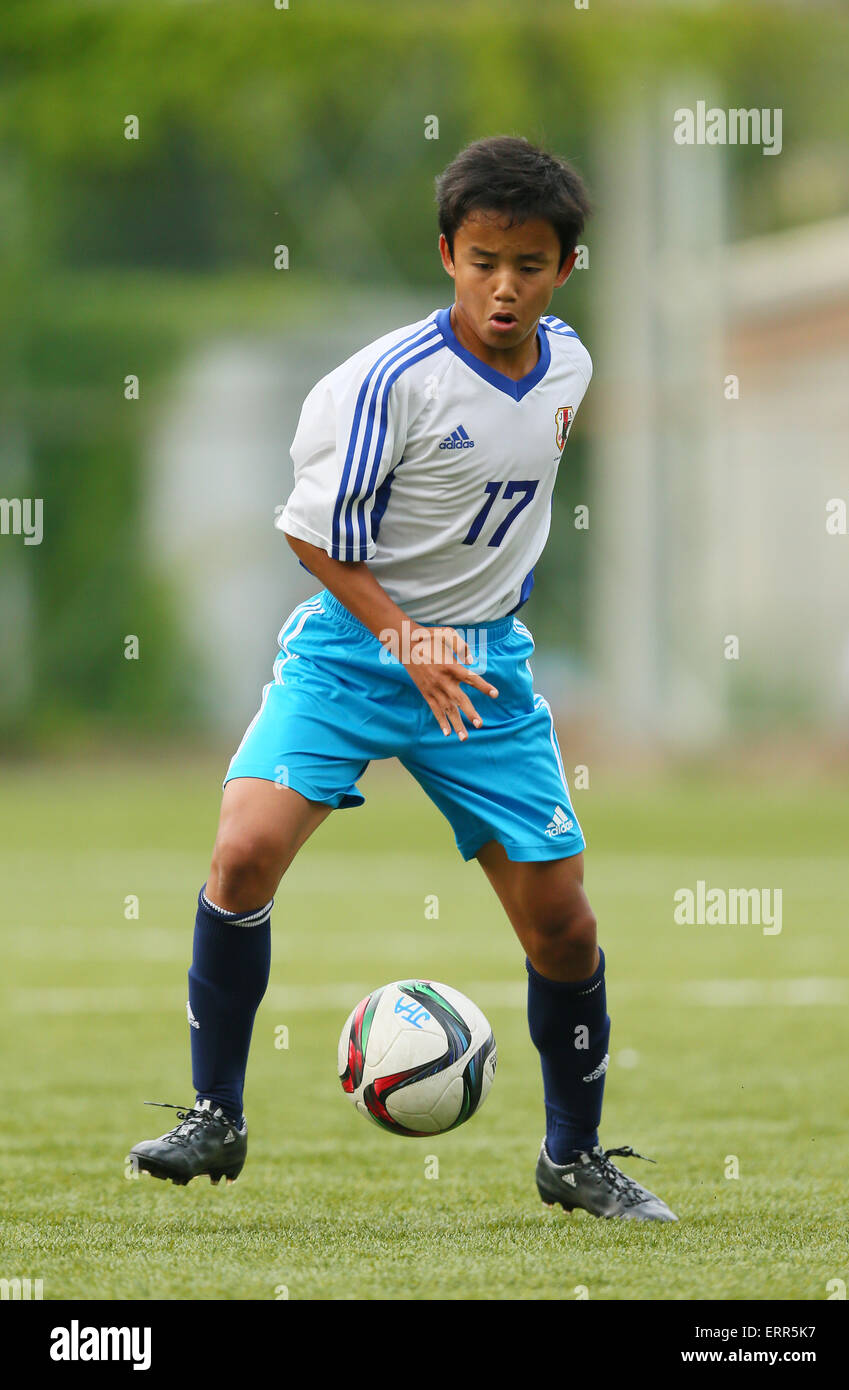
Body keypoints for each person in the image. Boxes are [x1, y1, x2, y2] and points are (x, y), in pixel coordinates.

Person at [129, 136, 676, 1222]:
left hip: (482, 671)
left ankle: (573, 1156)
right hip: (351, 648)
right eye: (481, 261)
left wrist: (456, 636)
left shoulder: (568, 363)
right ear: (446, 255)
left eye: (527, 262)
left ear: (566, 266)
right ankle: (215, 1114)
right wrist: (399, 635)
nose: (503, 286)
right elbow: (309, 534)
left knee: (562, 924)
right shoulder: (385, 383)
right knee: (241, 853)